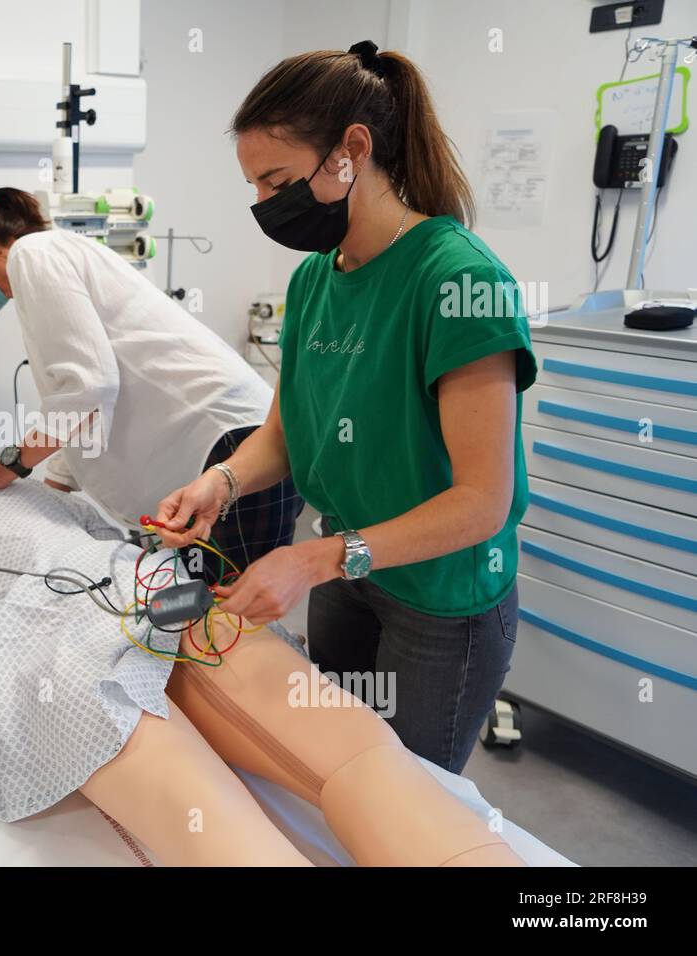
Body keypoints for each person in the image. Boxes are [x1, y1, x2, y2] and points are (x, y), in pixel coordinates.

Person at [0, 468, 525, 867]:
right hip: (45, 655)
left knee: (361, 757)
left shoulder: (25, 489)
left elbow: (121, 534)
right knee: (227, 836)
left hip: (156, 592)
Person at [153, 41, 537, 774]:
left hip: (440, 596)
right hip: (350, 576)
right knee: (336, 766)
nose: (265, 205)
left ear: (351, 150)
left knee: (408, 795)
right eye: (254, 187)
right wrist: (221, 483)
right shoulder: (313, 282)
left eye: (276, 181)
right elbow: (285, 435)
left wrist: (315, 558)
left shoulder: (460, 282)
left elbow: (483, 503)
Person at [0, 187, 304, 578]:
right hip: (218, 442)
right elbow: (83, 402)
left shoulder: (33, 255)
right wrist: (52, 490)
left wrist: (7, 468)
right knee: (207, 606)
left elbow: (89, 389)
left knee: (233, 607)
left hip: (231, 443)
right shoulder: (46, 259)